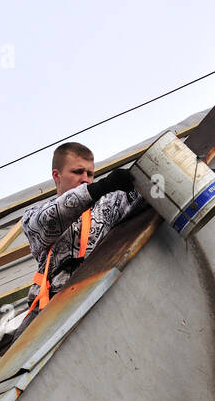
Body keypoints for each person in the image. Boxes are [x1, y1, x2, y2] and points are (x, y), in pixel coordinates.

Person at [17, 141, 147, 333]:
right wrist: (102, 186)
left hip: (97, 296)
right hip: (48, 311)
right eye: (77, 172)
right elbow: (49, 219)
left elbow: (151, 190)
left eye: (90, 174)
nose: (85, 179)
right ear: (56, 175)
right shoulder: (33, 216)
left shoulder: (107, 204)